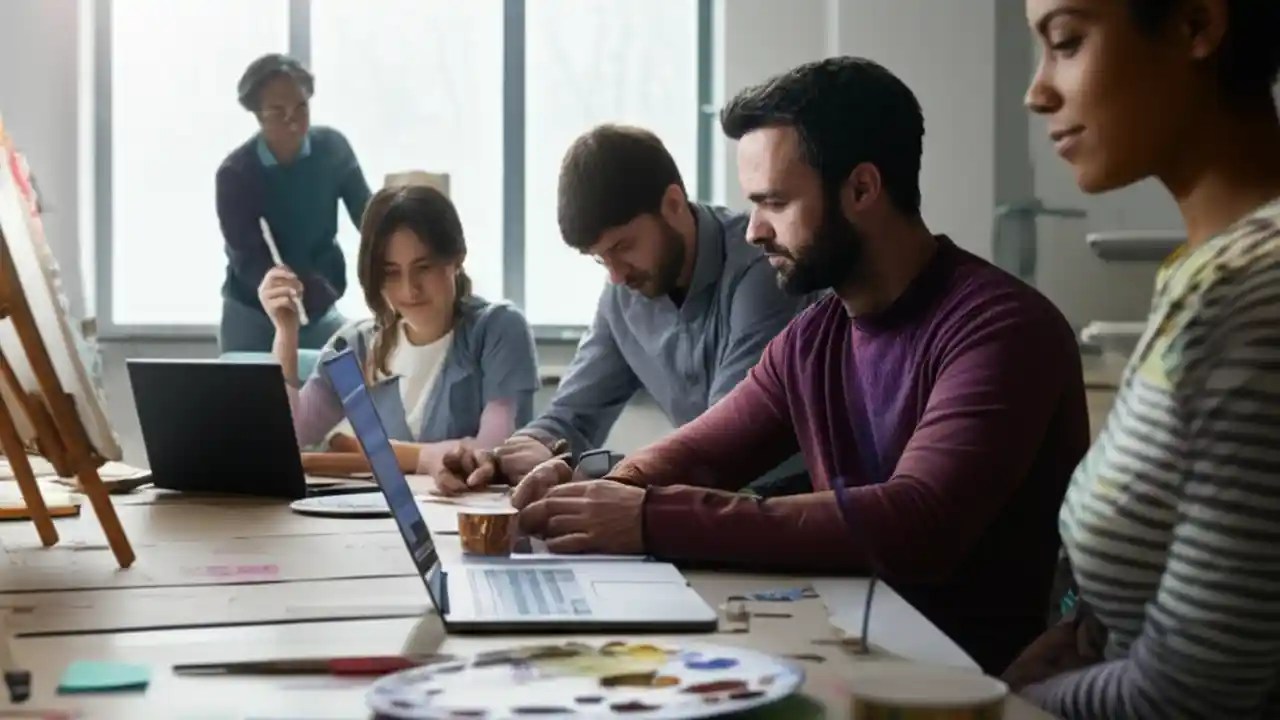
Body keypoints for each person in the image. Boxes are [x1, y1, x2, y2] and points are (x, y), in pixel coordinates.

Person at [500, 57, 1092, 675]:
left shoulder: (999, 328)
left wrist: (647, 518)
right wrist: (609, 492)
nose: (753, 231)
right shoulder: (813, 337)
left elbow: (919, 522)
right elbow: (704, 450)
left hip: (966, 680)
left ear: (862, 190)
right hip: (855, 648)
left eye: (774, 202)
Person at [1001, 1, 1280, 716]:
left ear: (1196, 24)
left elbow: (1195, 694)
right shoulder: (1204, 272)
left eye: (1067, 41)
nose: (1037, 91)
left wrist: (1009, 702)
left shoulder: (1252, 294)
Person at [435, 124, 812, 493]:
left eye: (622, 247)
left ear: (673, 204)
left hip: (789, 505)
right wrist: (507, 457)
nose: (615, 275)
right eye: (600, 259)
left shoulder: (762, 263)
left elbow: (727, 442)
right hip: (698, 502)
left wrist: (579, 469)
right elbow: (572, 415)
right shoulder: (625, 290)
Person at [259, 184, 540, 478]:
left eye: (424, 267)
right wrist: (285, 334)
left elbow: (487, 455)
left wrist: (356, 447)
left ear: (456, 258)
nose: (410, 289)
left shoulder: (498, 330)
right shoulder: (354, 345)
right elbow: (289, 441)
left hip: (461, 519)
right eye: (391, 273)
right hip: (373, 519)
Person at [216, 53, 372, 353]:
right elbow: (247, 257)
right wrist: (290, 294)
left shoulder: (333, 149)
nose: (293, 121)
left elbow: (369, 216)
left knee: (347, 386)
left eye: (301, 107)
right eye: (278, 111)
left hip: (319, 307)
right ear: (258, 115)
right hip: (254, 314)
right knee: (252, 399)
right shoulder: (236, 174)